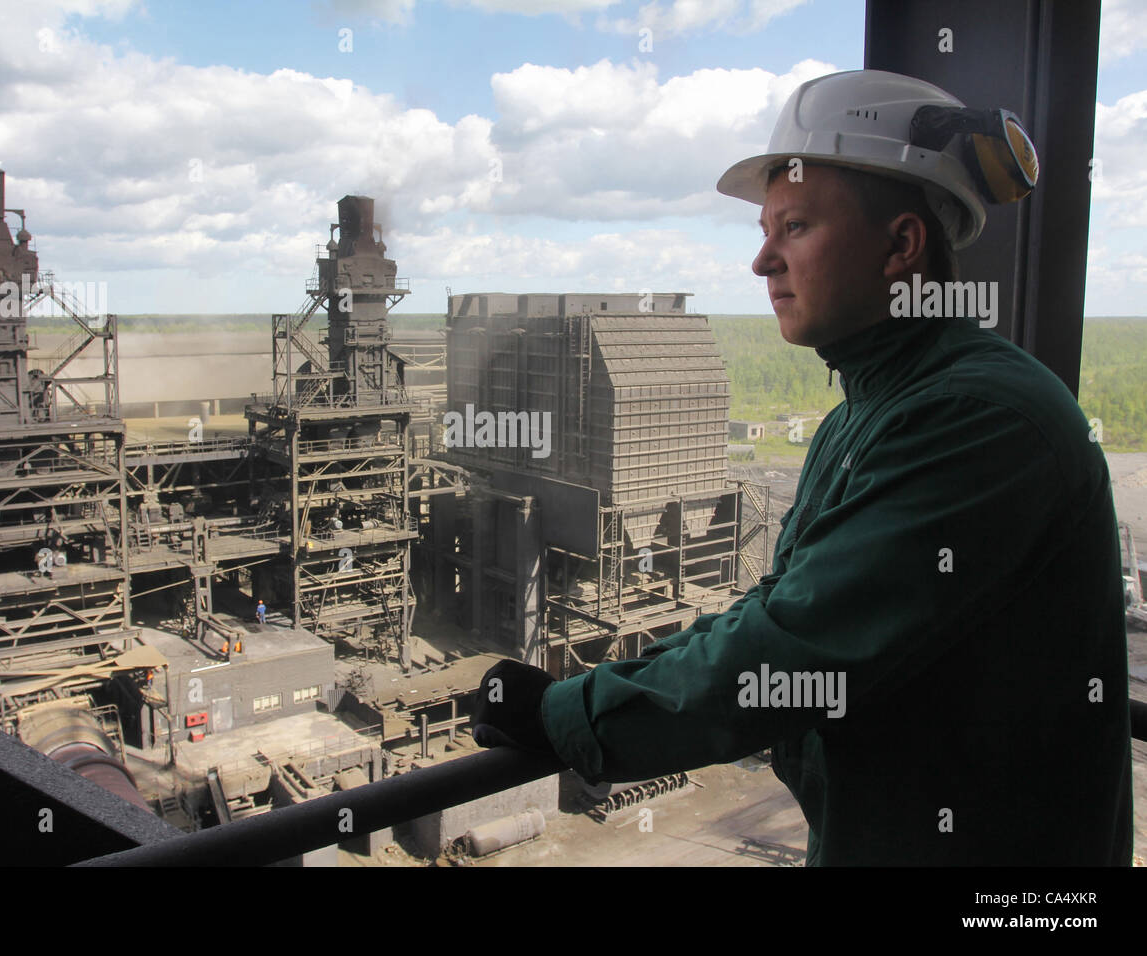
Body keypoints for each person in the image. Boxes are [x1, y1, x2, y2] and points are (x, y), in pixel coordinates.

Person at [470, 69, 1132, 866]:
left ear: (901, 245)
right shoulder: (865, 415)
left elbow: (793, 647)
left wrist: (573, 717)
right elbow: (779, 610)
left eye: (795, 228)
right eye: (764, 230)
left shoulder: (980, 418)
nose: (762, 263)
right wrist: (594, 691)